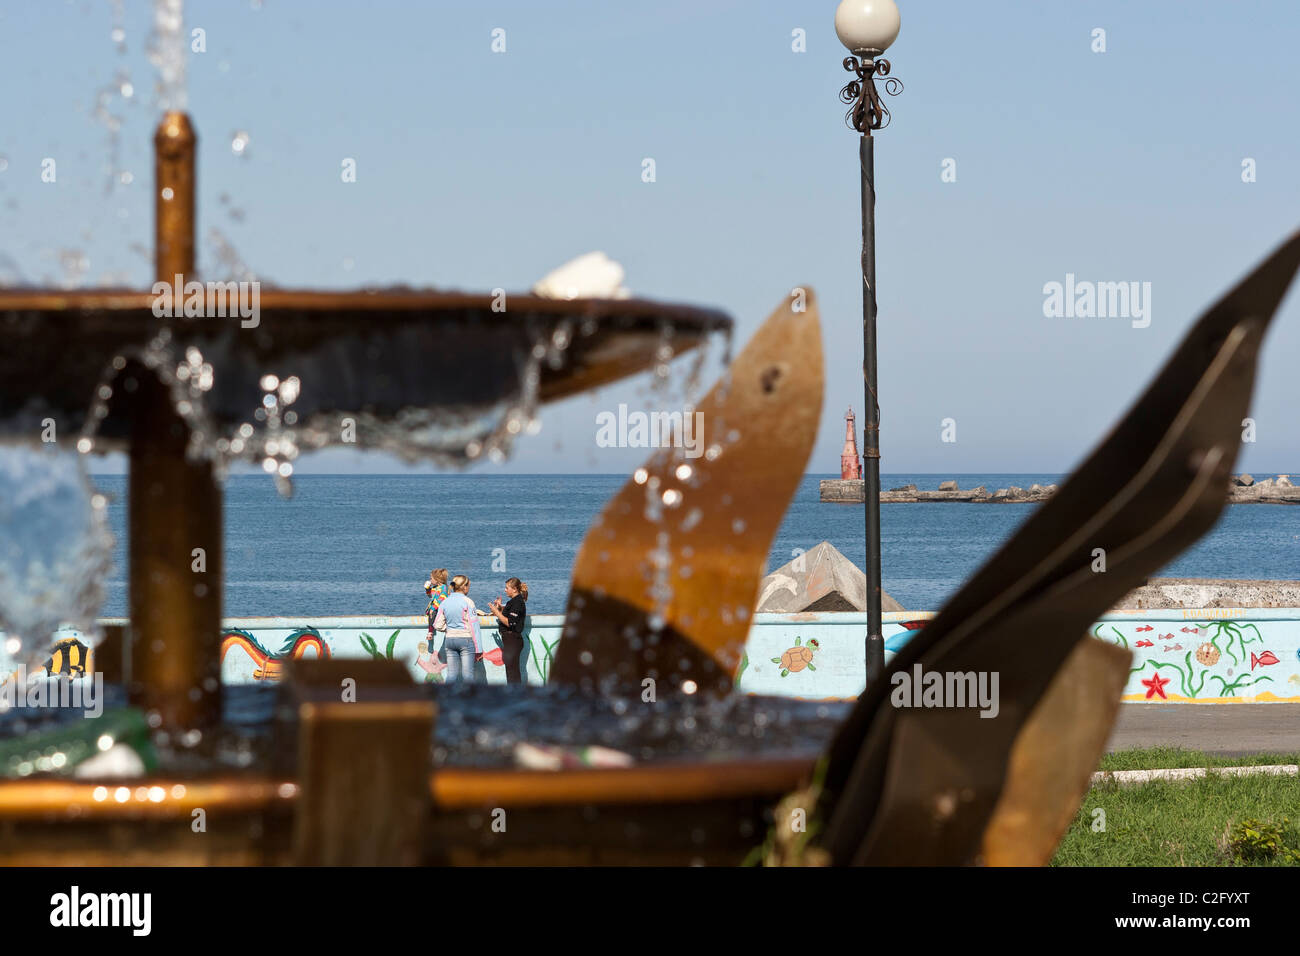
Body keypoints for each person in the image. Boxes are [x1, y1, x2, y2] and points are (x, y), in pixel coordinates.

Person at [434, 575, 482, 684]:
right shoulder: (468, 602)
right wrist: (479, 649)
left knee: (451, 675)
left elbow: (437, 624)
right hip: (466, 640)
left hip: (450, 639)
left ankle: (446, 698)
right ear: (464, 587)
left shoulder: (445, 602)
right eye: (468, 586)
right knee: (468, 676)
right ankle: (468, 699)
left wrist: (449, 629)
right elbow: (474, 627)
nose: (469, 588)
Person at [488, 578, 528, 685]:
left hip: (513, 639)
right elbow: (508, 616)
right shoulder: (513, 602)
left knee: (512, 672)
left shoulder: (517, 602)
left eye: (507, 588)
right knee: (511, 670)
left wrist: (496, 612)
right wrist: (500, 608)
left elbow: (510, 623)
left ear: (514, 589)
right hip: (510, 640)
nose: (505, 590)